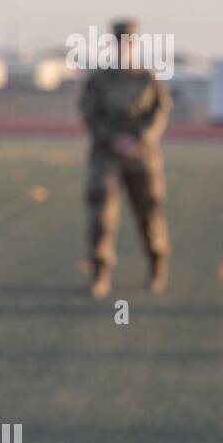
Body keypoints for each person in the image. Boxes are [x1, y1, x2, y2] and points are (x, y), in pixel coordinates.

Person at [78, 19, 171, 298]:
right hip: (107, 154)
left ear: (135, 45)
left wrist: (138, 139)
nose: (123, 48)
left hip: (142, 157)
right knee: (102, 216)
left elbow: (158, 114)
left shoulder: (147, 79)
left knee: (149, 213)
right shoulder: (98, 80)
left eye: (128, 43)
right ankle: (100, 273)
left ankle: (157, 266)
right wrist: (113, 139)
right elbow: (89, 114)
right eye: (119, 43)